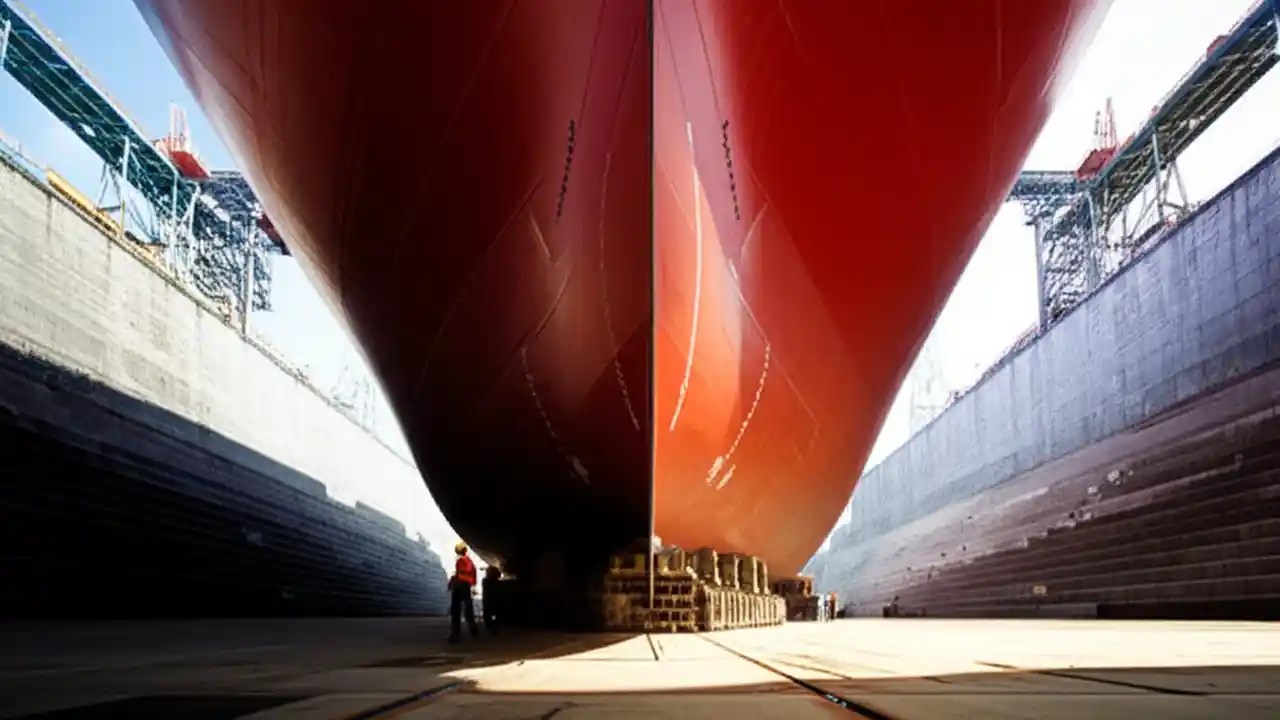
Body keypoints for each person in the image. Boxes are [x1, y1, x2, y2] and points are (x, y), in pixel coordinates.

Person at [447, 541, 480, 643]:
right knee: (468, 609)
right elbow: (473, 575)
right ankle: (474, 631)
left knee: (455, 609)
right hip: (467, 586)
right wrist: (473, 586)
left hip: (460, 586)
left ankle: (455, 634)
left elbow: (460, 573)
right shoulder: (470, 561)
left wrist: (453, 581)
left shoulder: (461, 560)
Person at [481, 564, 501, 634]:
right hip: (493, 601)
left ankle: (491, 626)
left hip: (488, 602)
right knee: (493, 614)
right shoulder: (495, 583)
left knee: (488, 614)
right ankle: (493, 627)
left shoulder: (485, 581)